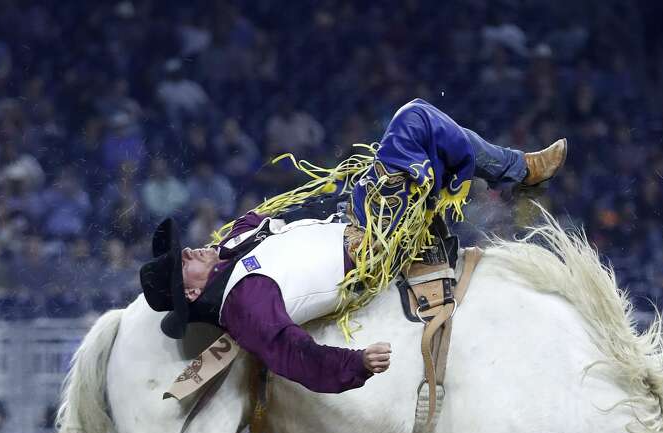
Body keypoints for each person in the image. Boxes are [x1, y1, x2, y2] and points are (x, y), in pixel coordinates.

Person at [140, 99, 567, 395]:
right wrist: (355, 363)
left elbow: (260, 219)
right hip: (373, 248)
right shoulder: (246, 303)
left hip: (355, 215)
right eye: (185, 263)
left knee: (420, 126)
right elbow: (294, 355)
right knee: (416, 119)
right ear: (192, 293)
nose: (192, 250)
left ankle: (486, 172)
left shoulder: (232, 249)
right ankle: (506, 171)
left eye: (185, 250)